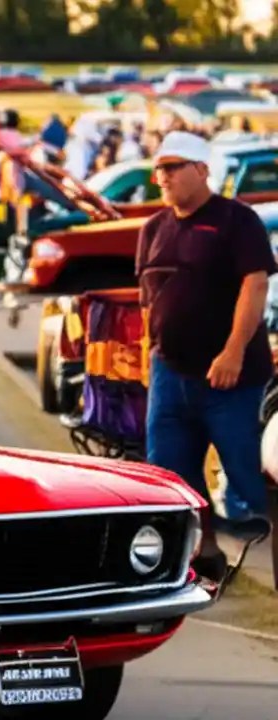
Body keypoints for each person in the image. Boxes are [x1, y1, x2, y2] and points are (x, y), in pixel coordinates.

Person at [138, 131, 276, 577]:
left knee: (248, 472)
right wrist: (149, 355)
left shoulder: (237, 221)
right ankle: (205, 552)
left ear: (202, 169)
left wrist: (234, 351)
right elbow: (148, 299)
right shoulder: (153, 229)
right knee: (172, 473)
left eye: (174, 167)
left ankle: (267, 548)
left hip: (230, 379)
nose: (164, 176)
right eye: (159, 168)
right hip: (169, 374)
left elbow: (255, 284)